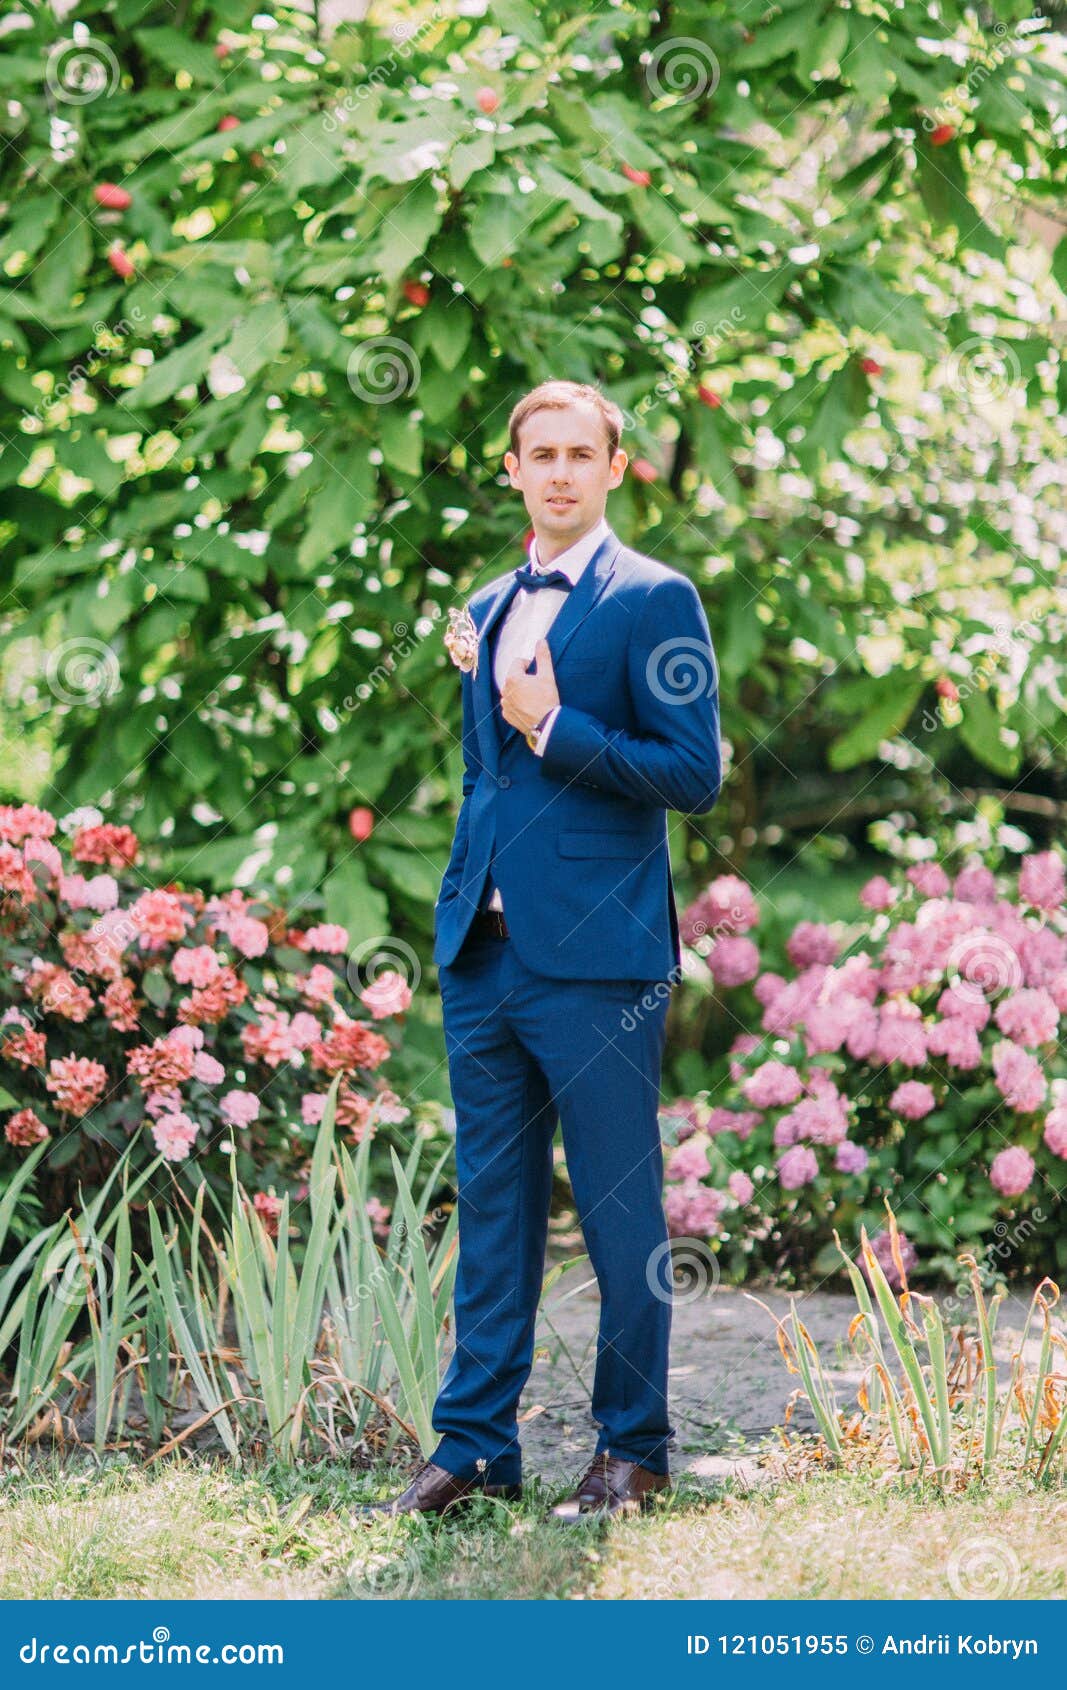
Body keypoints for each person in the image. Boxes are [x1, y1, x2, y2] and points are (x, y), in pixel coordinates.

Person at [364, 379, 721, 1522]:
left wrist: (557, 727)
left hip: (600, 965)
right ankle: (473, 1447)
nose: (560, 471)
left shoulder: (655, 598)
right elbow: (487, 780)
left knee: (620, 1218)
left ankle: (633, 1449)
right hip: (486, 955)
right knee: (492, 1208)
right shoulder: (486, 599)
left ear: (616, 468)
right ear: (510, 469)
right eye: (540, 454)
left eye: (581, 452)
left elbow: (691, 774)